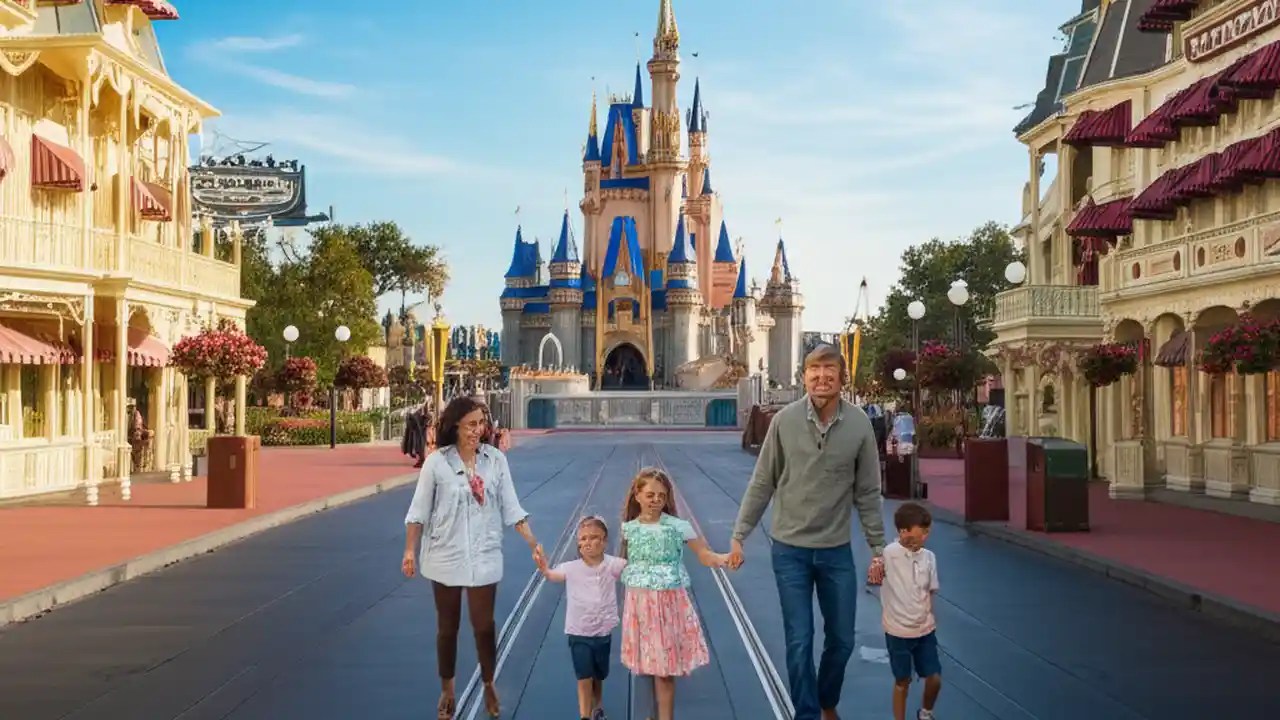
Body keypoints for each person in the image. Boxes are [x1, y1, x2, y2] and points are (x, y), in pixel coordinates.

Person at [728, 343, 887, 720]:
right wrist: (740, 534)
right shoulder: (784, 421)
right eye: (814, 370)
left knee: (843, 641)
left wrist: (878, 546)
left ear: (842, 377)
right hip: (790, 552)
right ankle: (807, 714)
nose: (821, 377)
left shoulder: (860, 424)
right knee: (800, 640)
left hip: (836, 551)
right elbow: (763, 481)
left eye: (829, 369)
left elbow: (867, 491)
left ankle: (825, 699)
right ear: (804, 377)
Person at [402, 395, 546, 720]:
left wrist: (532, 542)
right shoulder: (437, 463)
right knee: (447, 628)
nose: (477, 431)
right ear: (454, 426)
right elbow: (418, 511)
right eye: (470, 425)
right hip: (444, 554)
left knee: (484, 626)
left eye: (481, 424)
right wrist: (410, 549)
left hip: (484, 554)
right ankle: (447, 689)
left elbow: (511, 506)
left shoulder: (495, 460)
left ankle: (489, 682)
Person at [618, 467, 728, 720]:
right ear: (637, 495)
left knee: (665, 669)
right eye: (650, 495)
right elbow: (619, 564)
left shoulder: (678, 527)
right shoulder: (629, 529)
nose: (656, 500)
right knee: (646, 664)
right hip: (640, 602)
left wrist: (724, 559)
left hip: (668, 603)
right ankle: (651, 714)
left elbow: (703, 554)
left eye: (661, 495)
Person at [536, 516, 627, 720]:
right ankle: (585, 715)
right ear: (578, 543)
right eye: (583, 539)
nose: (587, 542)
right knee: (583, 675)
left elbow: (632, 571)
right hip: (579, 632)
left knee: (599, 674)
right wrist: (544, 568)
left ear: (604, 541)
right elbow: (552, 576)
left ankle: (598, 704)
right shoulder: (570, 568)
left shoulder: (613, 564)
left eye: (593, 538)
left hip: (603, 631)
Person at [876, 502, 941, 720]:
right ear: (903, 531)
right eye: (921, 532)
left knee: (934, 678)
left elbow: (931, 590)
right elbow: (873, 578)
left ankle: (926, 712)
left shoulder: (929, 557)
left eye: (927, 532)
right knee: (902, 681)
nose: (924, 536)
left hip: (925, 630)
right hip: (898, 631)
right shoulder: (889, 553)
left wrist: (930, 616)